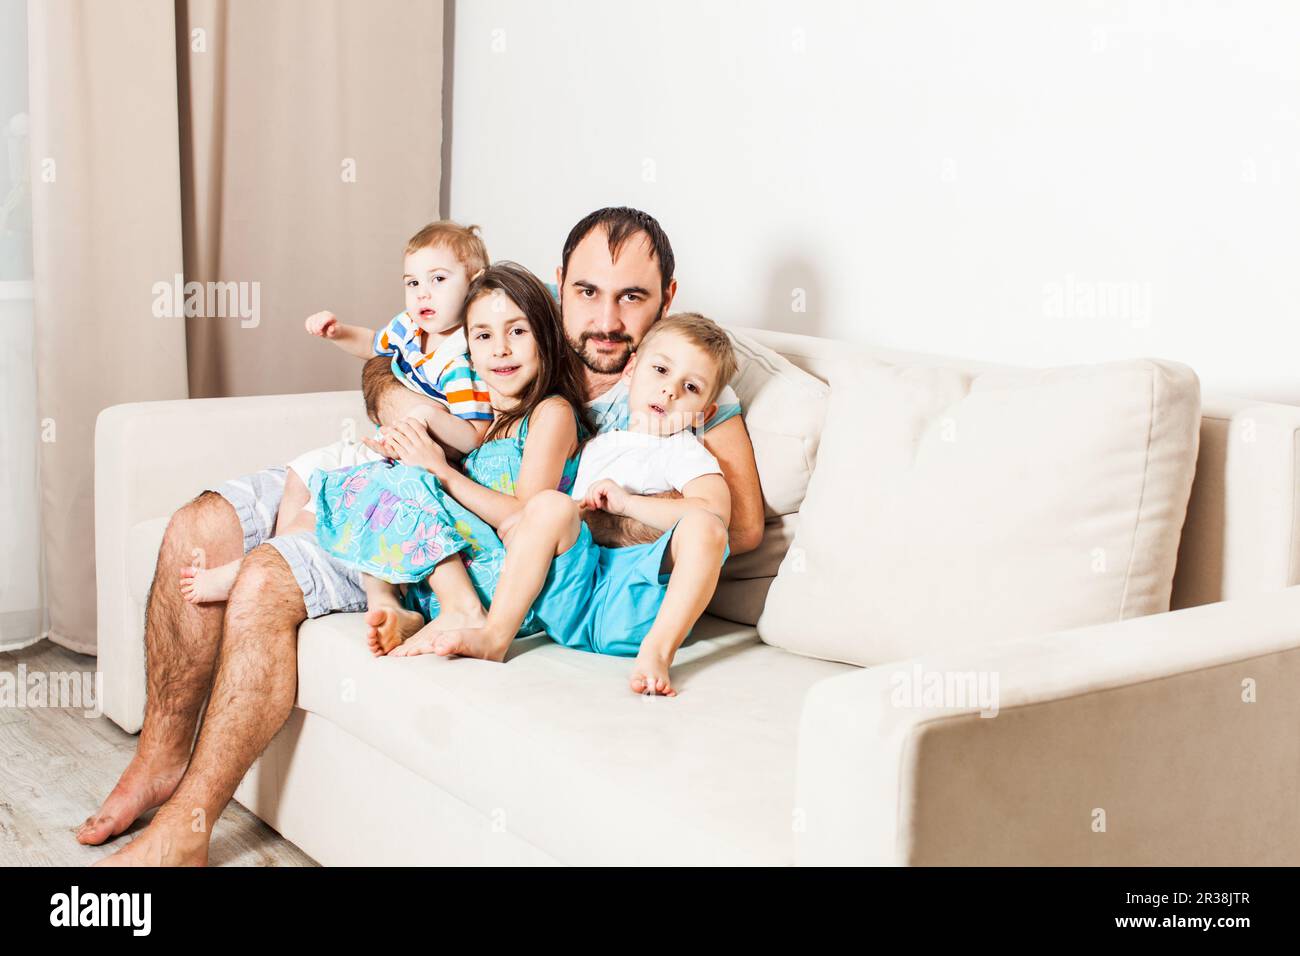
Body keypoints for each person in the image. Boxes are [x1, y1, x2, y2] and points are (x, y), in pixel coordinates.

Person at [82, 206, 764, 865]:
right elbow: (397, 346)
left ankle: (187, 825)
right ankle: (157, 761)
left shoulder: (678, 388)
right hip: (393, 468)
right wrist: (397, 396)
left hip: (443, 521)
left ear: (667, 299)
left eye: (633, 298)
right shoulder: (518, 319)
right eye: (587, 292)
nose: (607, 320)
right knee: (196, 527)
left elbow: (732, 524)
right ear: (561, 286)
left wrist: (598, 508)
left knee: (264, 576)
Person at [406, 313, 737, 698]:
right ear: (631, 369)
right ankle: (495, 635)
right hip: (570, 594)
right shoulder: (598, 442)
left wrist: (628, 504)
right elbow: (557, 518)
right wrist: (536, 525)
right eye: (660, 370)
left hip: (638, 600)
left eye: (691, 387)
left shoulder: (682, 449)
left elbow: (715, 513)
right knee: (550, 505)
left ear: (707, 412)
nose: (669, 392)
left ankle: (657, 653)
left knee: (706, 528)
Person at [177, 220, 492, 605]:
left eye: (438, 279)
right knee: (302, 472)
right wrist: (338, 331)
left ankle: (244, 572)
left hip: (410, 463)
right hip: (381, 444)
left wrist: (428, 416)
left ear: (475, 283)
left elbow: (474, 434)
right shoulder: (409, 327)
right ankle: (273, 556)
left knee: (320, 504)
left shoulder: (462, 358)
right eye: (412, 283)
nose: (422, 294)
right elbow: (373, 345)